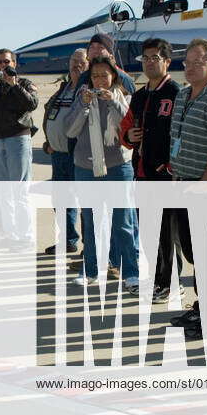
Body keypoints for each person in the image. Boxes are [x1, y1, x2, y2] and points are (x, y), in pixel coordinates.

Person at [166, 39, 207, 339]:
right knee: (192, 249)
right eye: (187, 62)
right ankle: (202, 304)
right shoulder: (183, 95)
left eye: (197, 62)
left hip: (204, 186)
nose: (189, 67)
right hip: (182, 182)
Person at [65, 56, 139, 292]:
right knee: (92, 221)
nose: (99, 80)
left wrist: (114, 103)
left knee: (123, 222)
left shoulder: (124, 97)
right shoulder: (82, 98)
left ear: (113, 77)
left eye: (103, 75)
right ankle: (92, 269)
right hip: (87, 168)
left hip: (118, 167)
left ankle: (131, 272)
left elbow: (129, 125)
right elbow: (71, 130)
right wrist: (85, 106)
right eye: (95, 75)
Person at [120, 38, 180, 302]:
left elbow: (181, 134)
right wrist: (129, 136)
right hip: (141, 172)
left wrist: (170, 164)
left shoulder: (176, 92)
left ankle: (169, 284)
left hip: (164, 174)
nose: (149, 62)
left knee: (166, 233)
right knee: (147, 230)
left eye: (155, 57)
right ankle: (157, 279)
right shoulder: (141, 95)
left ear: (167, 61)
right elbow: (125, 128)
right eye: (146, 58)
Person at [0, 48, 38, 235]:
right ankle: (9, 232)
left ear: (14, 63)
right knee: (3, 191)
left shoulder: (24, 83)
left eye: (7, 62)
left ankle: (24, 234)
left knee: (20, 190)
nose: (4, 65)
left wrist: (14, 85)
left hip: (17, 139)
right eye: (0, 62)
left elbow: (31, 104)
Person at [42, 48, 88, 254]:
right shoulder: (64, 88)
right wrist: (49, 142)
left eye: (81, 62)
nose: (76, 65)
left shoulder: (85, 89)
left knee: (84, 203)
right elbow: (50, 115)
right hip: (58, 154)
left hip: (77, 155)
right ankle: (68, 240)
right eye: (73, 61)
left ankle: (91, 249)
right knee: (60, 200)